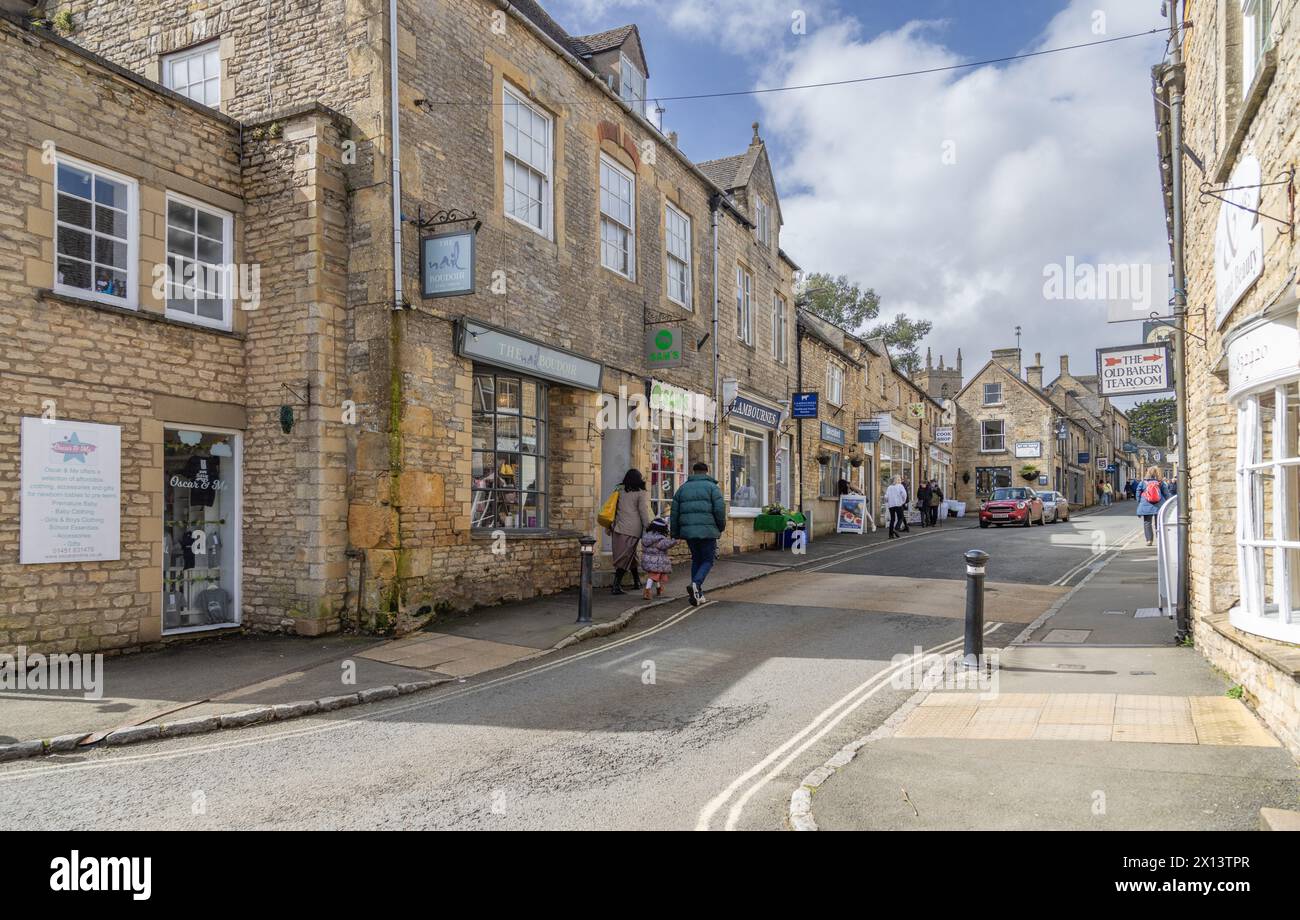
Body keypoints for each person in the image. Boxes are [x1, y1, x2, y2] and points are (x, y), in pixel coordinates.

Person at [670, 461, 727, 605]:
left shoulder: (682, 489)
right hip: (708, 531)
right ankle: (696, 583)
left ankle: (697, 594)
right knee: (708, 560)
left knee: (696, 559)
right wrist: (720, 527)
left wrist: (675, 532)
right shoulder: (713, 488)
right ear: (706, 472)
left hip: (689, 531)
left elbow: (674, 512)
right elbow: (720, 510)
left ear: (693, 472)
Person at [608, 468, 651, 595]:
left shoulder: (619, 490)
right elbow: (643, 512)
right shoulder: (640, 493)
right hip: (633, 529)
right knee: (626, 556)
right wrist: (647, 525)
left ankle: (637, 581)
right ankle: (616, 585)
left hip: (618, 527)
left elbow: (612, 508)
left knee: (629, 555)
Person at [639, 516, 677, 600]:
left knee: (657, 575)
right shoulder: (659, 539)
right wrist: (675, 540)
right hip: (657, 561)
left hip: (647, 560)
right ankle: (647, 591)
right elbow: (667, 544)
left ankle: (658, 589)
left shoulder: (646, 536)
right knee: (654, 576)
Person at [1136, 465, 1169, 546]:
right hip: (1159, 505)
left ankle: (1149, 540)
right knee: (1159, 522)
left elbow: (1138, 491)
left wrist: (1140, 501)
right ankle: (1160, 539)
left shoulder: (1143, 482)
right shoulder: (1160, 482)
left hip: (1146, 504)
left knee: (1147, 522)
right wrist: (1167, 502)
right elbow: (1166, 493)